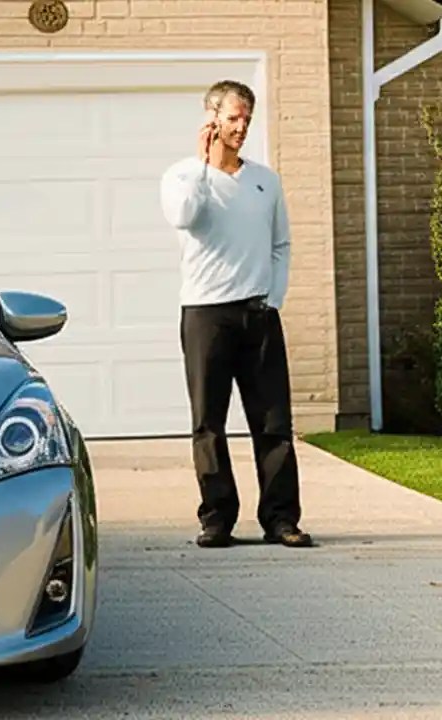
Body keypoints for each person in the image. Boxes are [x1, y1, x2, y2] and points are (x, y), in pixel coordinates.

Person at [158, 80, 312, 549]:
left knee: (274, 424)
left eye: (247, 118)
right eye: (232, 118)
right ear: (211, 119)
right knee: (209, 423)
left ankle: (281, 520)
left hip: (259, 314)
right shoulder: (183, 177)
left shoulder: (265, 181)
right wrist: (205, 165)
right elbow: (185, 216)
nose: (241, 127)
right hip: (206, 315)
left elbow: (280, 244)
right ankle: (218, 519)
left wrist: (275, 296)